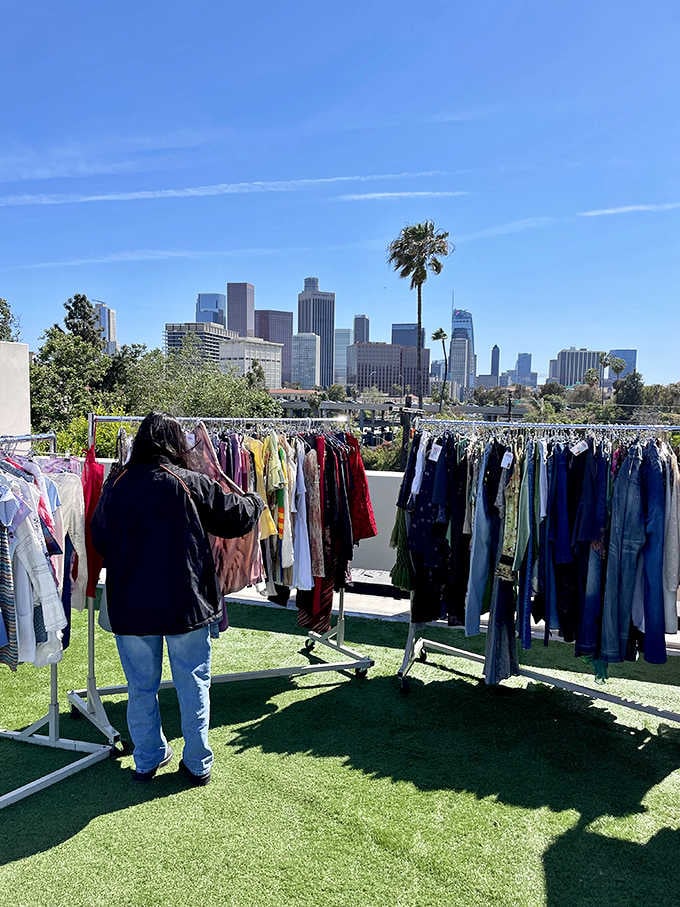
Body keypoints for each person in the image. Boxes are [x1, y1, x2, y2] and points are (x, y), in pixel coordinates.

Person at [91, 412, 263, 785]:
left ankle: (146, 759)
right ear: (175, 443)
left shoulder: (116, 483)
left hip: (131, 605)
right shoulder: (188, 483)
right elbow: (235, 518)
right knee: (193, 682)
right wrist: (255, 501)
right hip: (185, 603)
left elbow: (100, 538)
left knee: (140, 687)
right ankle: (198, 762)